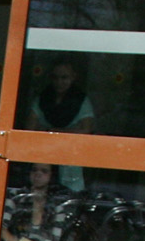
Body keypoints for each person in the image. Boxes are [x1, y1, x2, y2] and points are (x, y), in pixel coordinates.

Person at [27, 58, 95, 194]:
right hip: (43, 155)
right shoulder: (43, 98)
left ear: (73, 77)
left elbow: (87, 130)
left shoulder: (81, 100)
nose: (59, 82)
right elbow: (30, 127)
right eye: (55, 77)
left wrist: (53, 131)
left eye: (64, 77)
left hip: (70, 158)